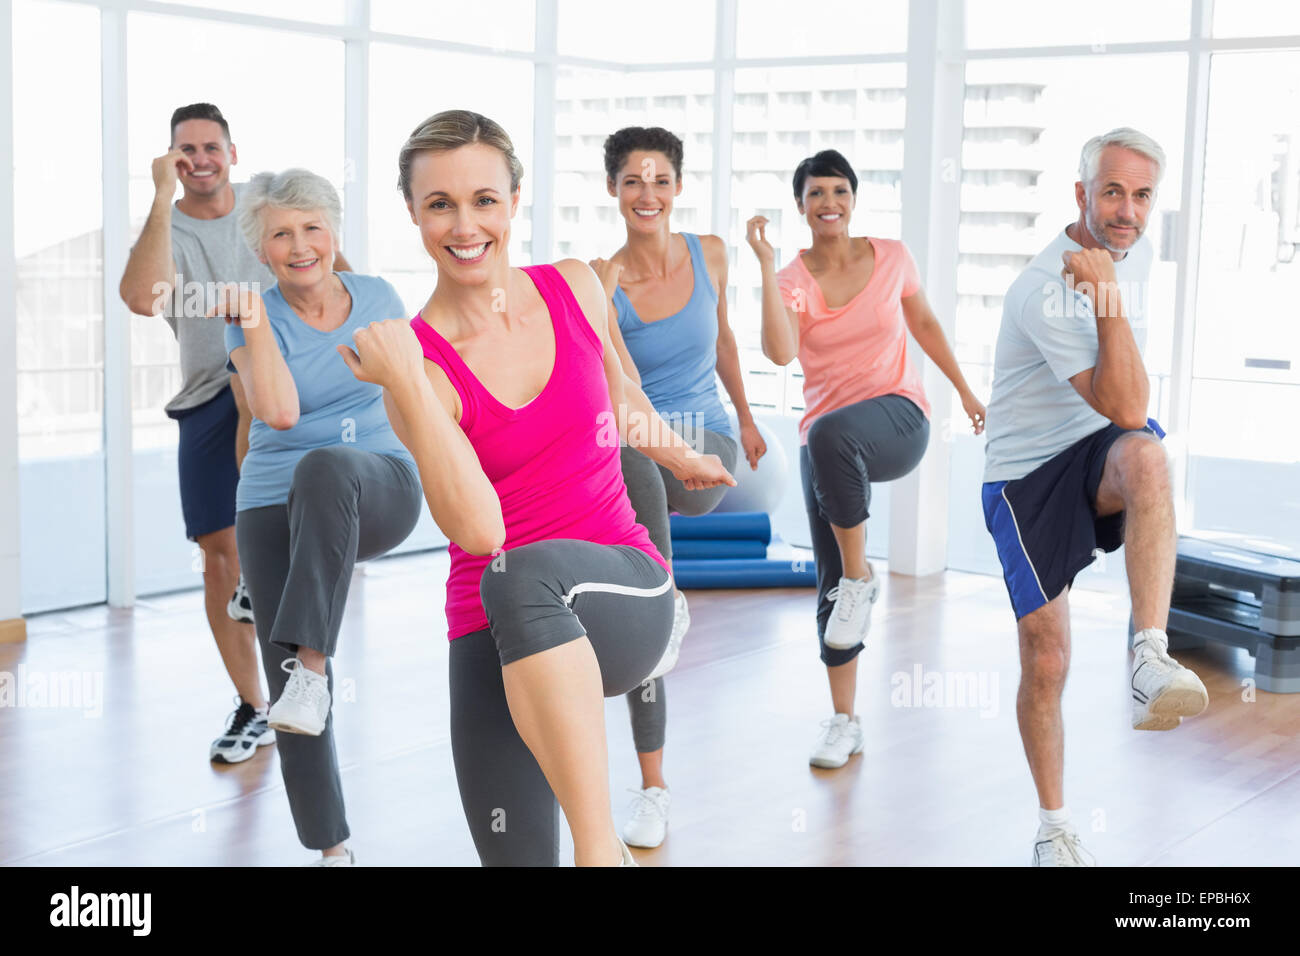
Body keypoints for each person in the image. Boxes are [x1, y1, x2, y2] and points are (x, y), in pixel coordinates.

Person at [339, 109, 734, 866]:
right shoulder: (414, 368)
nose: (465, 225)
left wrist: (682, 457)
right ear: (414, 214)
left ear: (515, 199)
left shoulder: (576, 286)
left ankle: (599, 851)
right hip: (490, 621)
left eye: (484, 199)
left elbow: (622, 397)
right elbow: (480, 532)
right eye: (440, 204)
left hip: (620, 590)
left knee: (521, 577)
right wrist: (410, 387)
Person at [979, 128, 1208, 867]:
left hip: (1090, 452)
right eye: (1113, 191)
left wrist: (1110, 292)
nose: (1128, 210)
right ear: (1080, 194)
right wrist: (1107, 296)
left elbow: (1132, 422)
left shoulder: (1109, 271)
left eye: (1142, 196)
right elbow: (1128, 403)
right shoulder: (1045, 288)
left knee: (1147, 460)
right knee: (1047, 659)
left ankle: (1148, 657)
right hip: (1025, 479)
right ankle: (1054, 829)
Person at [746, 149, 985, 770]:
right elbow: (778, 352)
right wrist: (768, 269)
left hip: (899, 418)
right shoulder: (793, 280)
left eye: (839, 191)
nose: (829, 203)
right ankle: (844, 721)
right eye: (816, 193)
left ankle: (861, 578)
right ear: (800, 206)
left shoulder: (892, 257)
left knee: (830, 438)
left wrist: (962, 389)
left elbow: (925, 323)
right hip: (826, 442)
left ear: (854, 199)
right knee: (829, 591)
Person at [220, 168, 421, 866]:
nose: (300, 245)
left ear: (334, 233)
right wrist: (252, 320)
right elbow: (278, 412)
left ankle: (313, 658)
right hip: (274, 502)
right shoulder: (250, 318)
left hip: (379, 484)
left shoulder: (379, 298)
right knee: (292, 697)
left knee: (326, 465)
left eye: (312, 227)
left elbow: (416, 390)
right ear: (263, 250)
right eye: (282, 233)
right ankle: (332, 850)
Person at [118, 103, 328, 763]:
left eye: (212, 146)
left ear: (232, 154)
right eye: (187, 151)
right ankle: (254, 705)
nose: (200, 159)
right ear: (173, 160)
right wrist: (159, 194)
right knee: (217, 559)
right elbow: (141, 296)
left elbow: (330, 265)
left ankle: (306, 680)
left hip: (287, 387)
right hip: (209, 396)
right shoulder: (169, 227)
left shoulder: (266, 208)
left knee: (251, 378)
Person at [589, 126, 766, 850]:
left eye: (660, 180)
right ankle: (653, 786)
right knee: (645, 623)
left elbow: (724, 342)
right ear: (613, 190)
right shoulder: (604, 279)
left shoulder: (711, 253)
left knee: (643, 477)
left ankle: (659, 592)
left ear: (678, 187)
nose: (647, 194)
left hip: (709, 441)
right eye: (633, 181)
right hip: (644, 440)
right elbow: (621, 384)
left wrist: (750, 419)